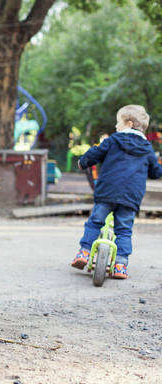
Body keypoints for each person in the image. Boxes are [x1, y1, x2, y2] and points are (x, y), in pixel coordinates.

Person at [71, 105, 162, 279]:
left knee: (95, 222)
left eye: (118, 123)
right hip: (131, 196)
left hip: (107, 191)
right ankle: (120, 265)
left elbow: (95, 153)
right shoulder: (147, 148)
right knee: (124, 230)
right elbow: (156, 172)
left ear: (128, 124)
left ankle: (84, 252)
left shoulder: (113, 141)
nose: (116, 127)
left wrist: (83, 162)